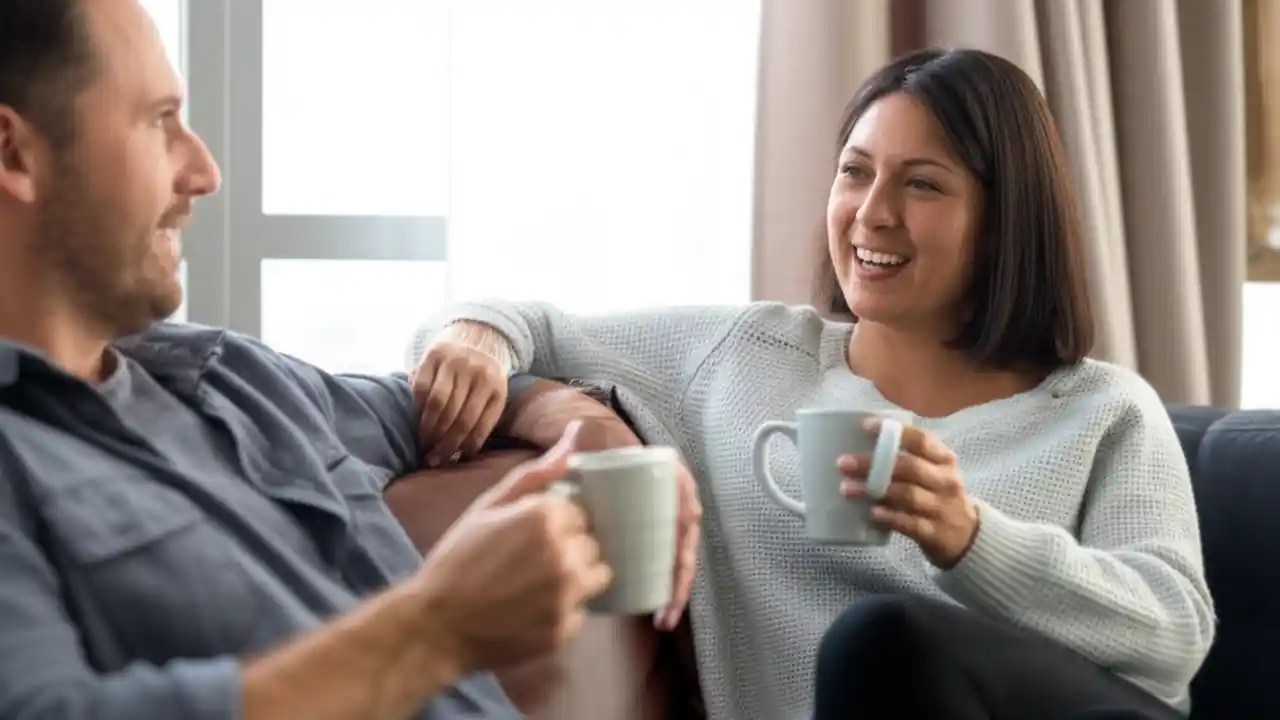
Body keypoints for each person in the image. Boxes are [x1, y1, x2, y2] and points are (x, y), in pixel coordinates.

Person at [411, 48, 1216, 719]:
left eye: (922, 183)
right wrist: (487, 351)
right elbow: (521, 326)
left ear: (1008, 218)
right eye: (855, 173)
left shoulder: (1103, 411)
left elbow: (1174, 632)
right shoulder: (745, 359)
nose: (871, 213)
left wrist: (970, 538)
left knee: (885, 639)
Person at [0, 1, 700, 718]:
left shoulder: (230, 378)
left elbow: (449, 402)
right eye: (158, 120)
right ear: (13, 153)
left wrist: (589, 426)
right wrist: (437, 627)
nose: (204, 172)